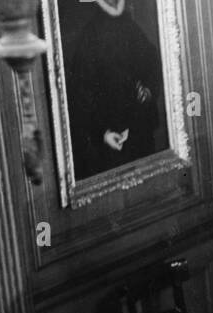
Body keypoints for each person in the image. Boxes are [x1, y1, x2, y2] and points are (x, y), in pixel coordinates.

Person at [66, 0, 165, 179]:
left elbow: (152, 61)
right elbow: (80, 94)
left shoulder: (129, 26)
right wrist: (102, 133)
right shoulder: (90, 34)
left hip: (139, 126)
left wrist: (148, 89)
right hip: (111, 136)